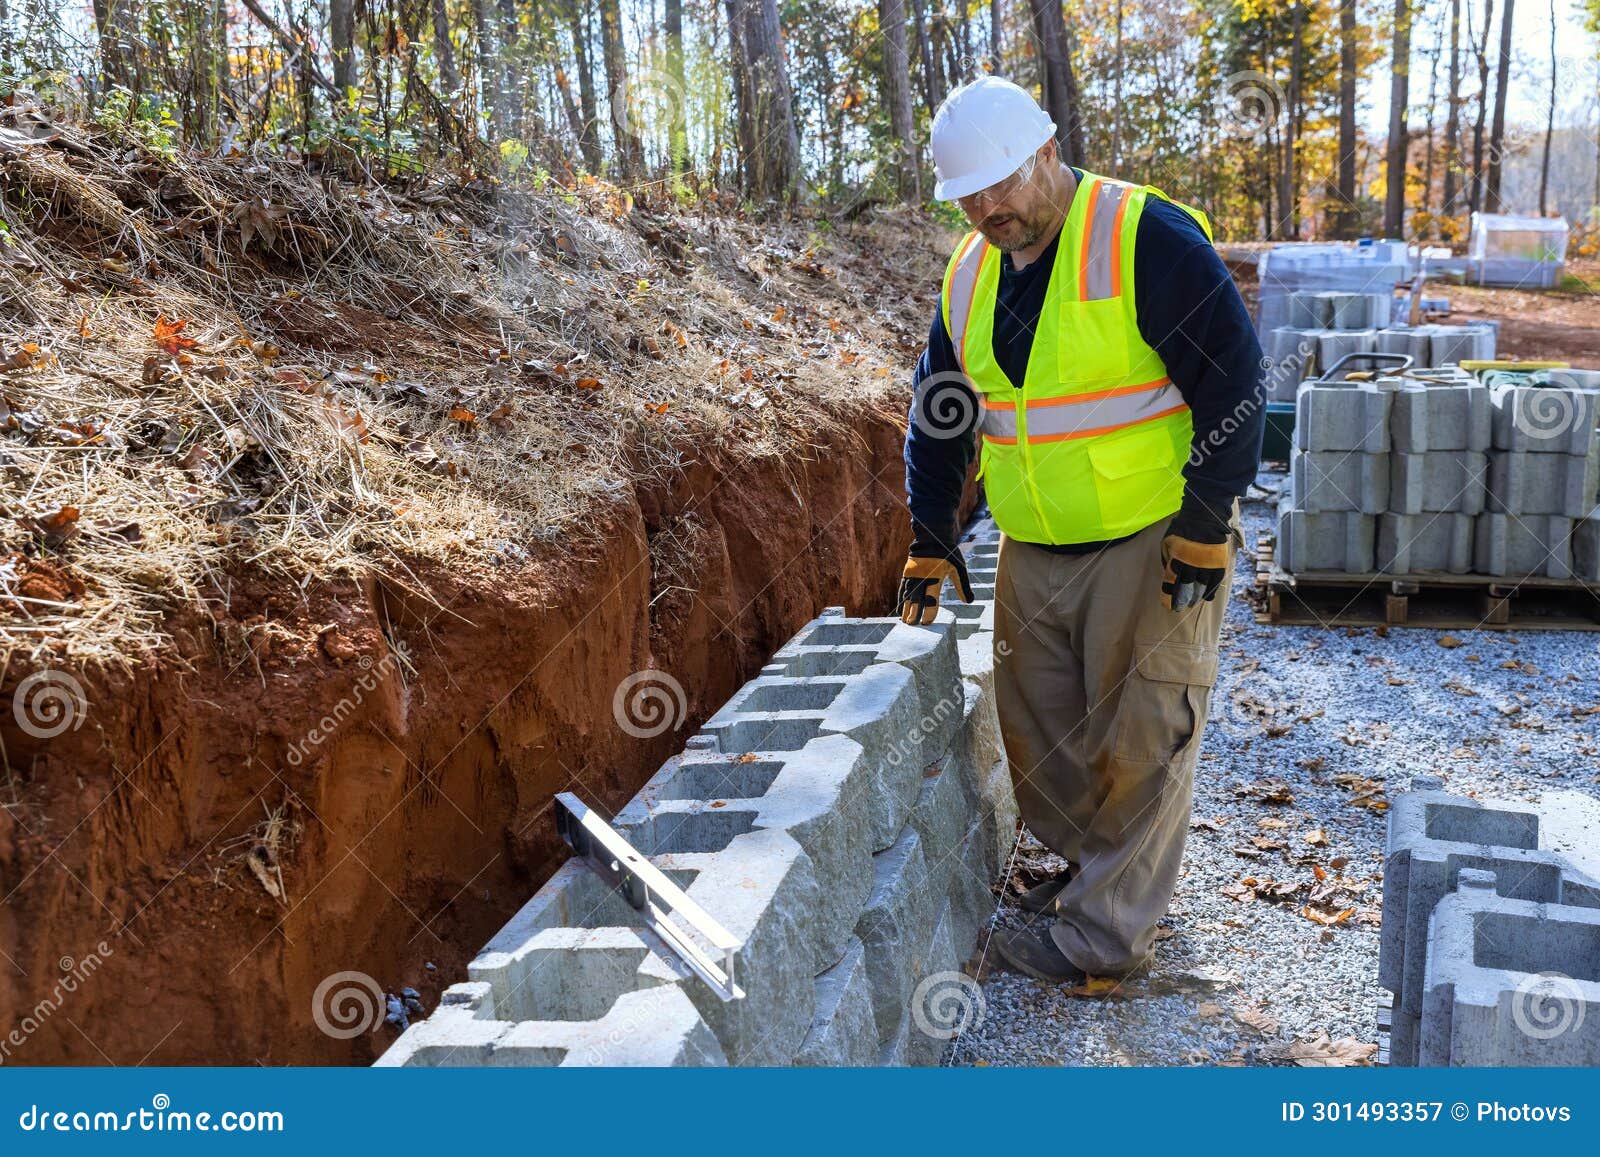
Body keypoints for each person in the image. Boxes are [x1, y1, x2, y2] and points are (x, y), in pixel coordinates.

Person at [899, 76, 1265, 984]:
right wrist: (930, 532)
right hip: (1036, 543)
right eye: (970, 195)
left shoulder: (1144, 239)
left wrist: (1207, 521)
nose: (990, 209)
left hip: (1153, 534)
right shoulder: (970, 273)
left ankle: (1102, 939)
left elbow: (1238, 380)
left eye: (1004, 184)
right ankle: (1092, 876)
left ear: (1050, 153)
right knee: (1044, 734)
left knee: (1145, 731)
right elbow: (941, 410)